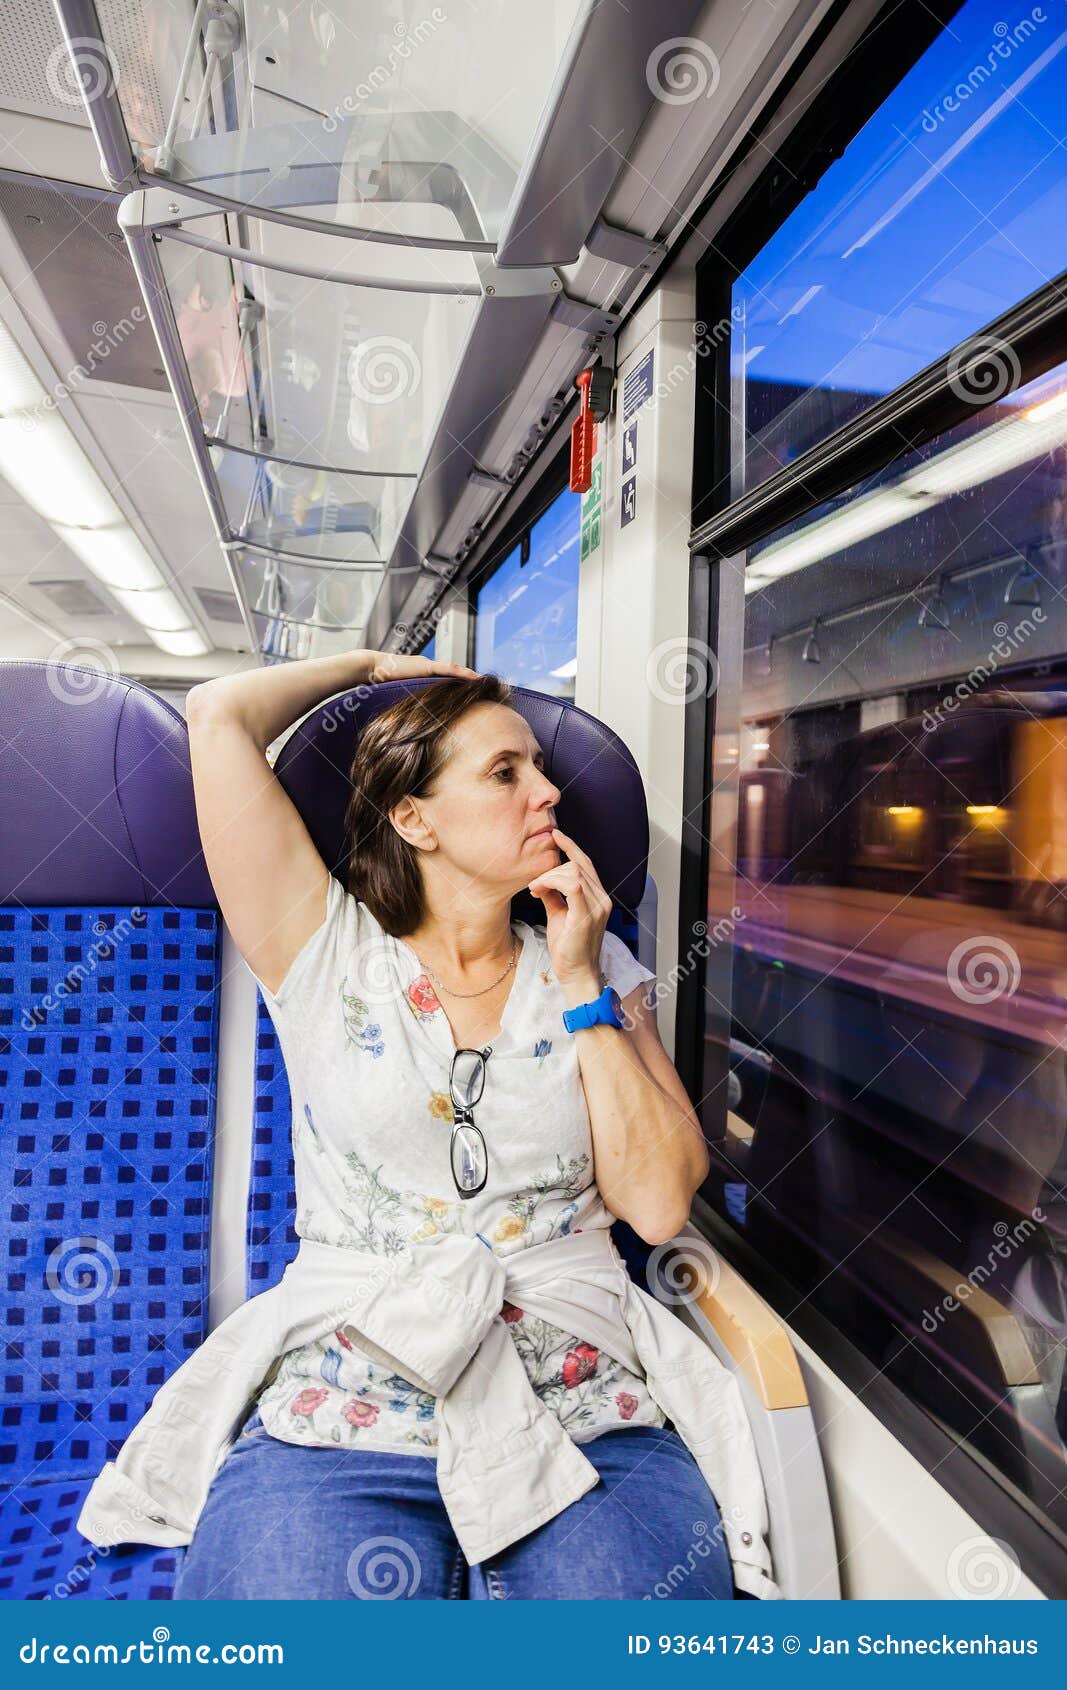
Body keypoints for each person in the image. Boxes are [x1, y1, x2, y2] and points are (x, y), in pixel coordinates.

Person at [173, 647, 730, 1601]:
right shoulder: (322, 948)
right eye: (505, 773)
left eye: (541, 768)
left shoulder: (602, 971)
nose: (547, 794)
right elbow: (216, 714)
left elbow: (655, 1205)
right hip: (350, 1396)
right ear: (413, 818)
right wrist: (373, 669)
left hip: (579, 1398)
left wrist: (583, 981)